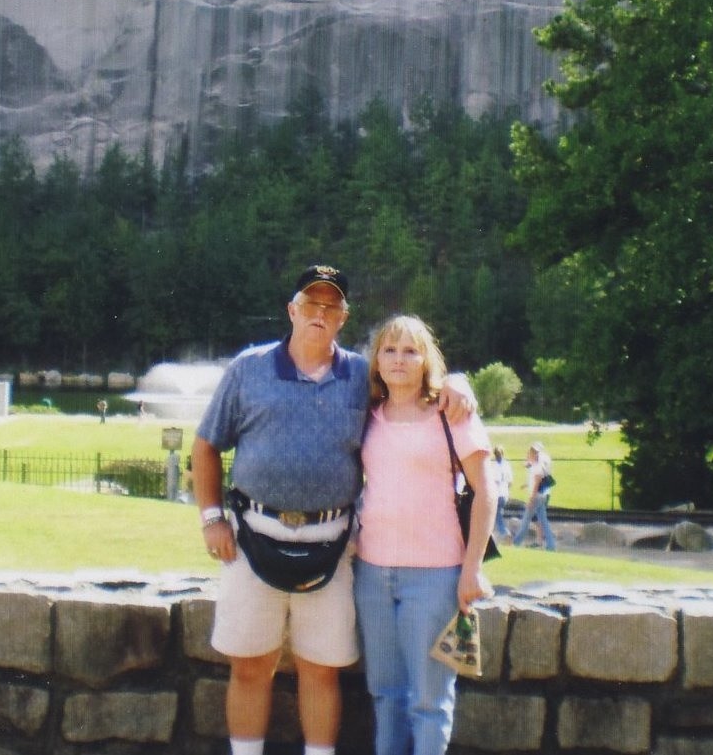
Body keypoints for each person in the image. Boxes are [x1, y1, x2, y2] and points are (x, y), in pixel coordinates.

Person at [190, 266, 473, 755]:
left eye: (331, 307)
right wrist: (212, 517)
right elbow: (205, 445)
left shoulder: (361, 376)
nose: (320, 315)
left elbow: (414, 381)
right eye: (311, 304)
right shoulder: (248, 368)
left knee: (321, 669)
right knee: (250, 665)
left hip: (332, 544)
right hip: (252, 535)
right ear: (292, 310)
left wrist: (460, 384)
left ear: (343, 318)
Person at [354, 315, 496, 755]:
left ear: (426, 359)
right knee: (385, 694)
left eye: (411, 350)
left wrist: (471, 569)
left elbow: (486, 491)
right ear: (376, 359)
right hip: (373, 574)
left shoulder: (450, 414)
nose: (399, 359)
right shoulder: (367, 415)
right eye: (389, 349)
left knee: (429, 701)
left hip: (435, 576)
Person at [510, 441, 556, 550]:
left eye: (531, 453)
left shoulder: (538, 467)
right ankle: (551, 545)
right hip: (541, 496)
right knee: (543, 521)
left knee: (525, 522)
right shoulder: (538, 465)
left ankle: (516, 543)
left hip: (537, 496)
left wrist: (531, 499)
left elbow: (536, 483)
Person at [489, 445, 513, 539]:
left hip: (497, 494)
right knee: (498, 513)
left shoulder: (494, 466)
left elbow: (495, 481)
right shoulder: (507, 465)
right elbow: (510, 481)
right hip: (505, 493)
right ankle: (496, 532)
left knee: (495, 514)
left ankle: (503, 532)